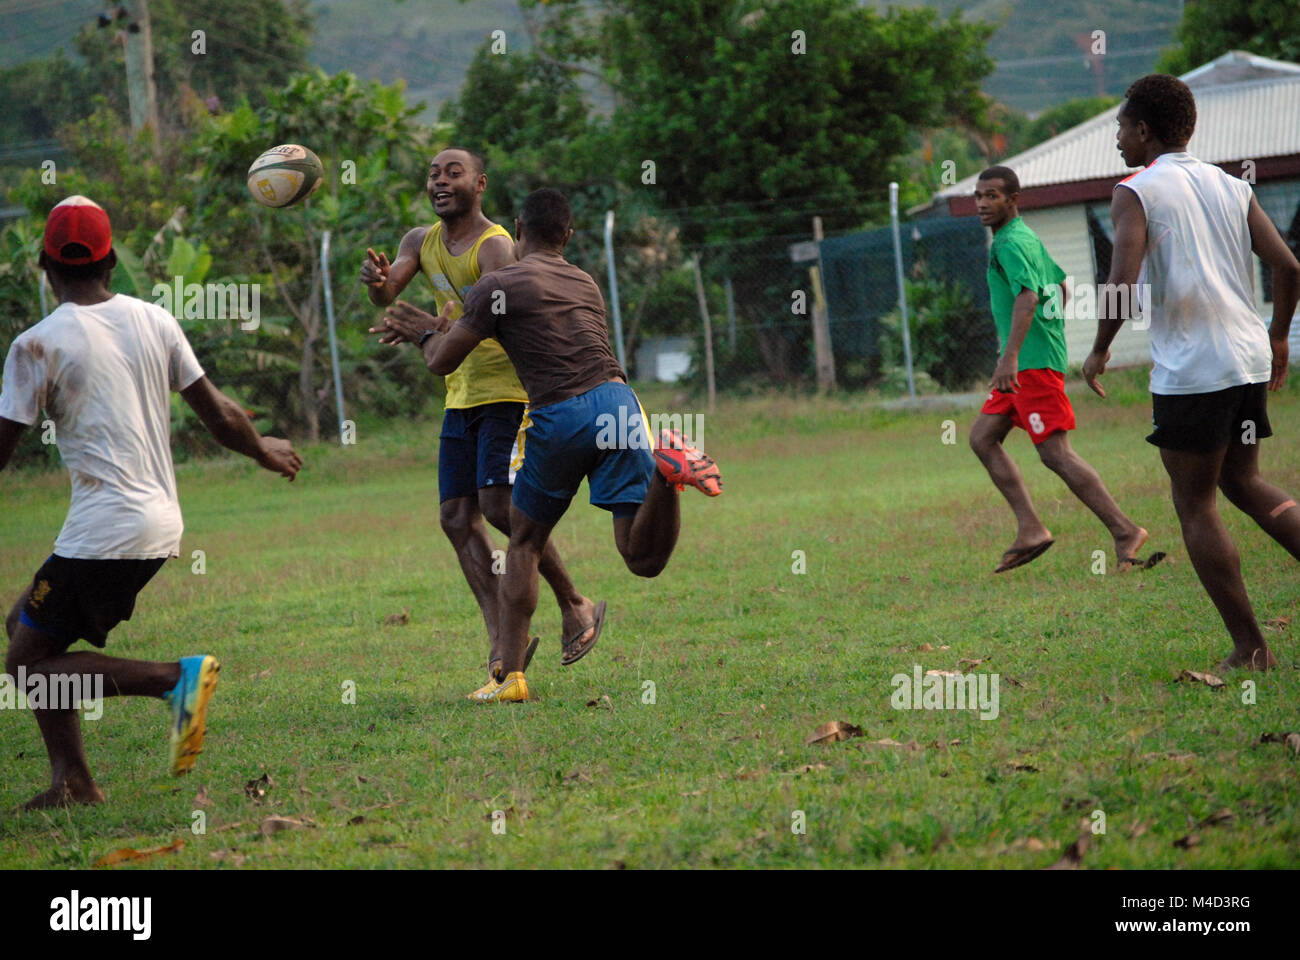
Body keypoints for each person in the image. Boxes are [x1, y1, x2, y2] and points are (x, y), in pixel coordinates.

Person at [0, 196, 302, 809]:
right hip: (158, 523)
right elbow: (218, 412)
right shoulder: (154, 319)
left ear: (44, 265)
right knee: (23, 629)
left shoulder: (35, 345)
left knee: (27, 669)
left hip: (104, 534)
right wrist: (262, 450)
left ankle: (174, 679)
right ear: (111, 261)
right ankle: (74, 782)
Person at [381, 188, 722, 702]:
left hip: (559, 413)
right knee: (640, 558)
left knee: (525, 541)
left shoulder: (497, 283)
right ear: (568, 235)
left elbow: (441, 361)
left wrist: (423, 333)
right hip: (619, 404)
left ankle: (511, 678)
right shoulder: (585, 281)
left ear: (517, 229)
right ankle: (665, 476)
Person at [361, 148, 603, 694]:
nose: (440, 181)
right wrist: (378, 282)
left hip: (508, 392)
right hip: (461, 394)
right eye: (433, 174)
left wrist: (432, 329)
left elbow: (501, 316)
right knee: (454, 516)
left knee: (498, 507)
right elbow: (389, 292)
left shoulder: (496, 246)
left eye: (453, 173)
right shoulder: (417, 242)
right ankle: (500, 645)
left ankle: (574, 603)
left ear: (480, 184)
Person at [1083, 74, 1300, 672]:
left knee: (1195, 503)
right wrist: (1278, 335)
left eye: (1122, 128)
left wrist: (1099, 349)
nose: (1118, 140)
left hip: (1193, 372)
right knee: (1247, 483)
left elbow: (1122, 283)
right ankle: (1250, 645)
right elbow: (1287, 265)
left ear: (1144, 130)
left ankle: (1251, 648)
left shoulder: (1138, 190)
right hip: (1247, 358)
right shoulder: (1232, 185)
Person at [970, 165, 1151, 574]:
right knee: (982, 436)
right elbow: (1061, 287)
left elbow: (1030, 296)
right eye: (978, 196)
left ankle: (1124, 530)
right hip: (1030, 361)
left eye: (992, 196)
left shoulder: (1011, 244)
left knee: (1055, 453)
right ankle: (1031, 528)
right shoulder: (1023, 237)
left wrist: (1012, 355)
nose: (982, 203)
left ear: (1012, 200)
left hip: (1029, 367)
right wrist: (1046, 337)